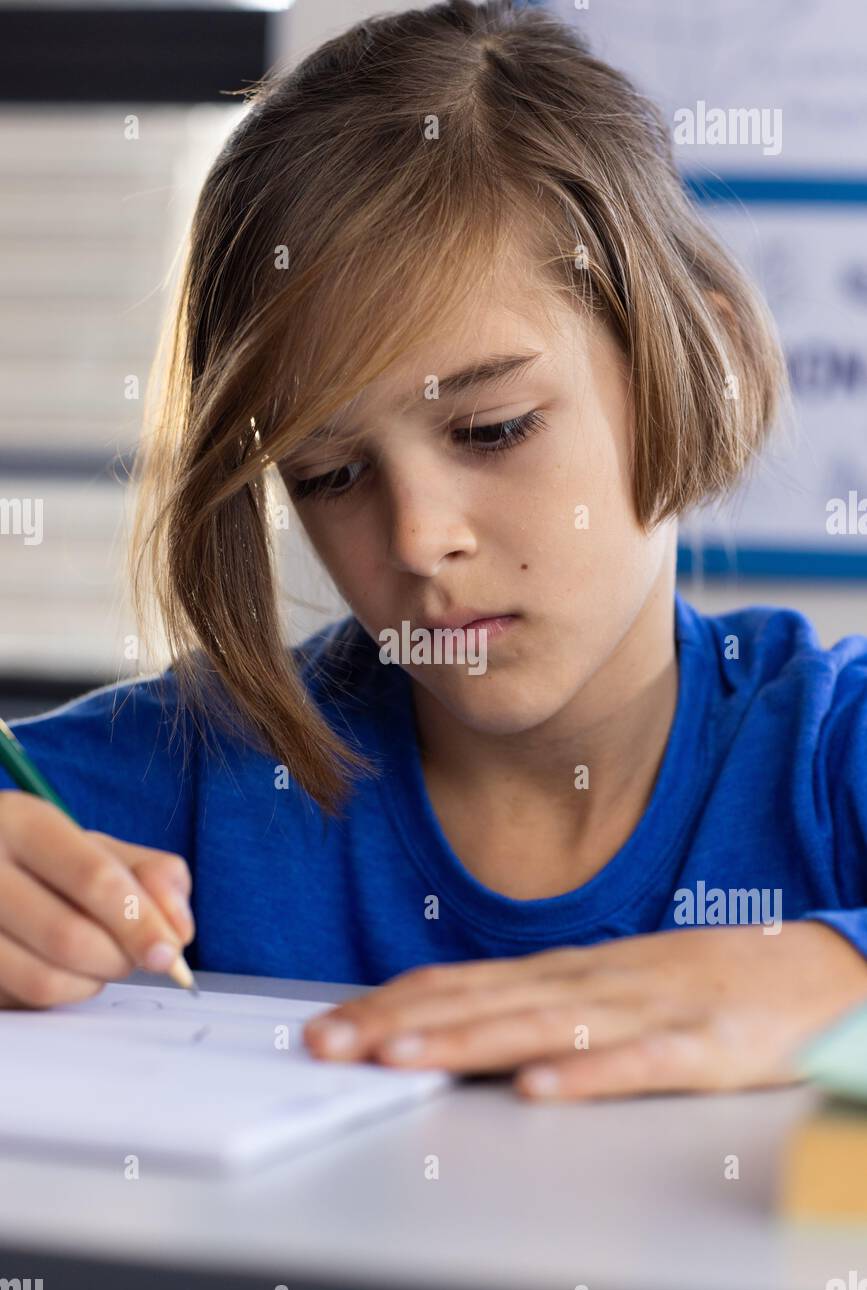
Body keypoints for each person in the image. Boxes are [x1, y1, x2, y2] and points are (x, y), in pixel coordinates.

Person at [2, 0, 866, 1103]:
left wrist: (823, 971)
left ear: (684, 362)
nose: (418, 540)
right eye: (329, 475)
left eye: (493, 429)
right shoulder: (202, 769)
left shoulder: (831, 760)